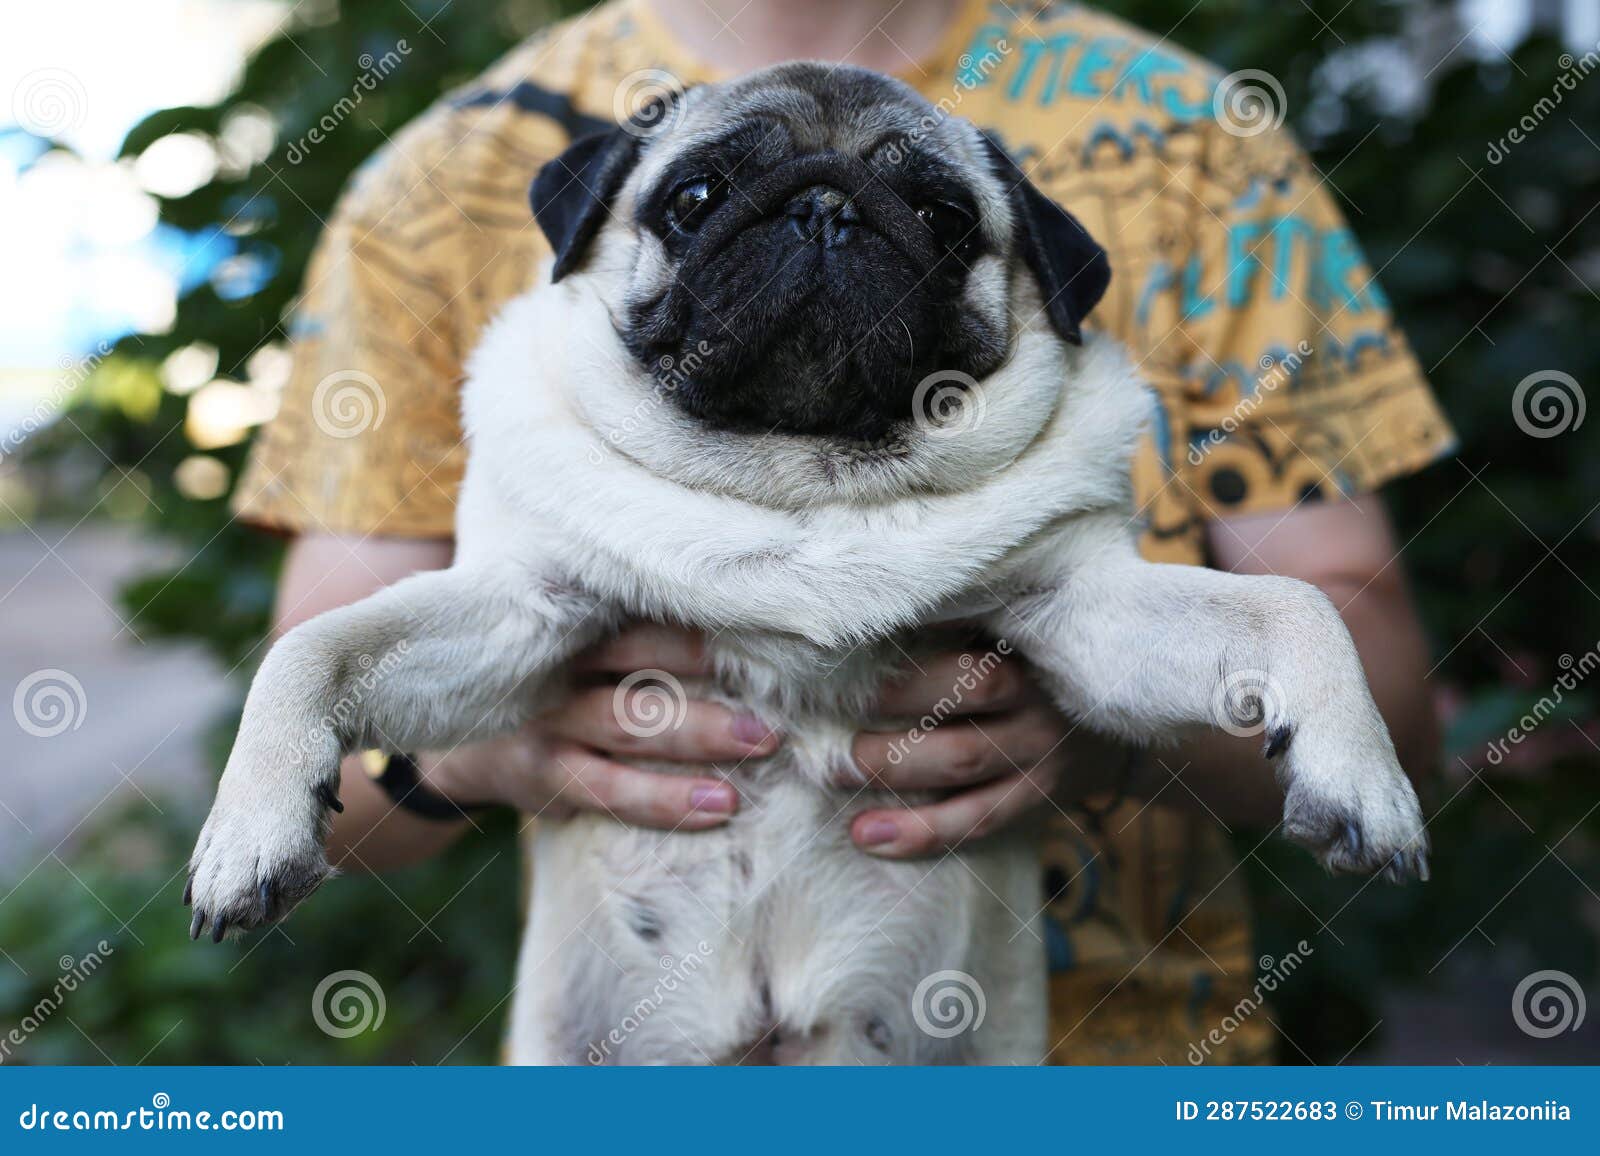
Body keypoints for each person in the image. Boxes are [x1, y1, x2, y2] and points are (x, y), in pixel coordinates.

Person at [233, 0, 1455, 1063]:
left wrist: (1111, 746)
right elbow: (323, 755)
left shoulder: (1193, 141)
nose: (822, 231)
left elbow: (1390, 718)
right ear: (589, 231)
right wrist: (478, 752)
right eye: (705, 203)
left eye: (927, 218)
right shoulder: (445, 181)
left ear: (1037, 278)